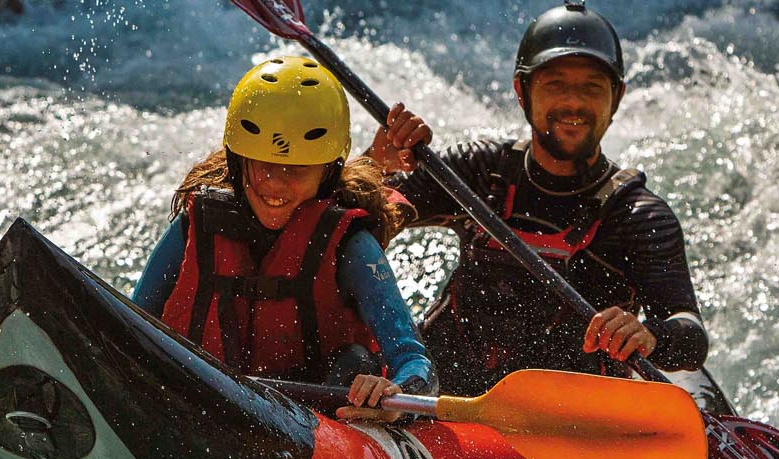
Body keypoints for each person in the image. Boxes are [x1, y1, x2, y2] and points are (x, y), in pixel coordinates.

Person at [358, 2, 710, 403]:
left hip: (563, 422)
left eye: (592, 87)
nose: (573, 104)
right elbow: (350, 220)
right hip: (443, 403)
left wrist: (649, 335)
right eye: (555, 84)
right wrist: (376, 163)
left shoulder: (635, 215)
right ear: (521, 91)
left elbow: (689, 334)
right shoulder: (478, 173)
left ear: (617, 97)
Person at [131, 56, 436, 419]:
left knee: (356, 362)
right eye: (263, 163)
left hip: (319, 425)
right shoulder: (193, 228)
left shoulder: (350, 246)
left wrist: (397, 394)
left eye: (298, 167)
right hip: (202, 404)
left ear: (327, 171)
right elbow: (130, 323)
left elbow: (414, 359)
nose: (276, 182)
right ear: (237, 159)